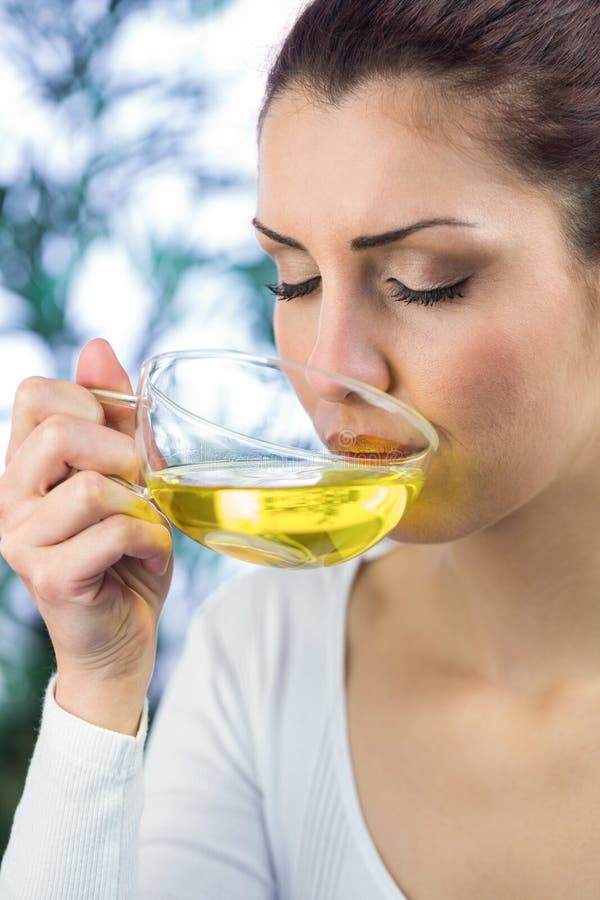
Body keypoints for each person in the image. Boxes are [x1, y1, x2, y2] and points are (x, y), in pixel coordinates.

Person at [2, 0, 600, 896]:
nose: (327, 371)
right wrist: (99, 683)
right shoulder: (265, 658)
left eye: (422, 284)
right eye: (296, 280)